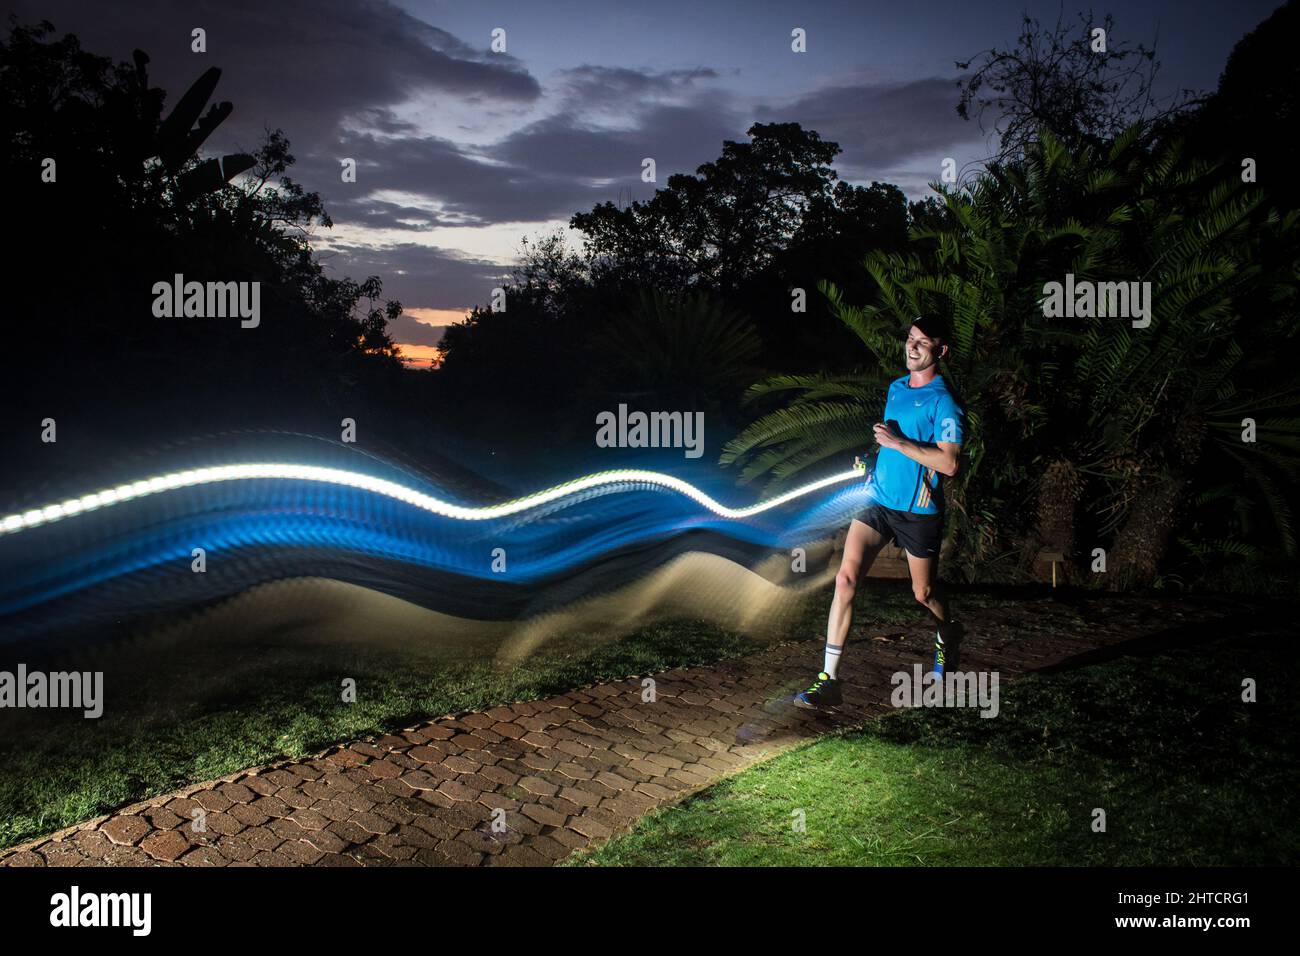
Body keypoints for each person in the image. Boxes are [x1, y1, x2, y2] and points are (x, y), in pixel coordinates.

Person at [795, 315, 965, 709]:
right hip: (878, 500)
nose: (913, 347)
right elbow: (893, 445)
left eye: (923, 343)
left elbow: (949, 464)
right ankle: (829, 680)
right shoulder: (896, 387)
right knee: (845, 578)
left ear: (941, 351)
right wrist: (873, 458)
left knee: (923, 594)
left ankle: (949, 632)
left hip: (918, 511)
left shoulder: (945, 401)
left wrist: (898, 442)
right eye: (910, 339)